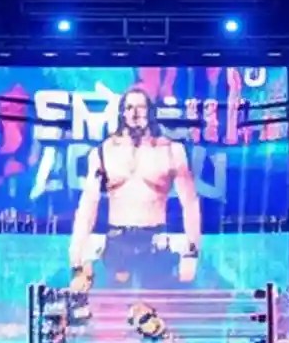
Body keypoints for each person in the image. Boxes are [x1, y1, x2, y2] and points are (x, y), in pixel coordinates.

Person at [68, 87, 202, 291]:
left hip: (155, 241)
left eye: (140, 107)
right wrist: (76, 254)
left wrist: (192, 251)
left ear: (150, 112)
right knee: (115, 310)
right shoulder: (104, 151)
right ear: (122, 113)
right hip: (117, 243)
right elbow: (88, 204)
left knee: (157, 311)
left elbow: (190, 202)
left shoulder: (172, 150)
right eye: (129, 107)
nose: (135, 113)